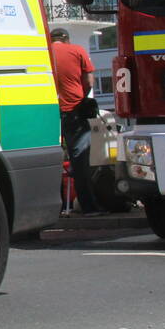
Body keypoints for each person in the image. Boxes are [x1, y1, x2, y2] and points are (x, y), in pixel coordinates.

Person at [50, 28, 100, 215]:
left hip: (49, 112)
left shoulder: (43, 52)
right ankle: (88, 207)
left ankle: (57, 208)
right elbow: (89, 80)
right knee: (80, 161)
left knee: (52, 160)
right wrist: (82, 99)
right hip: (75, 113)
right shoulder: (77, 50)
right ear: (66, 39)